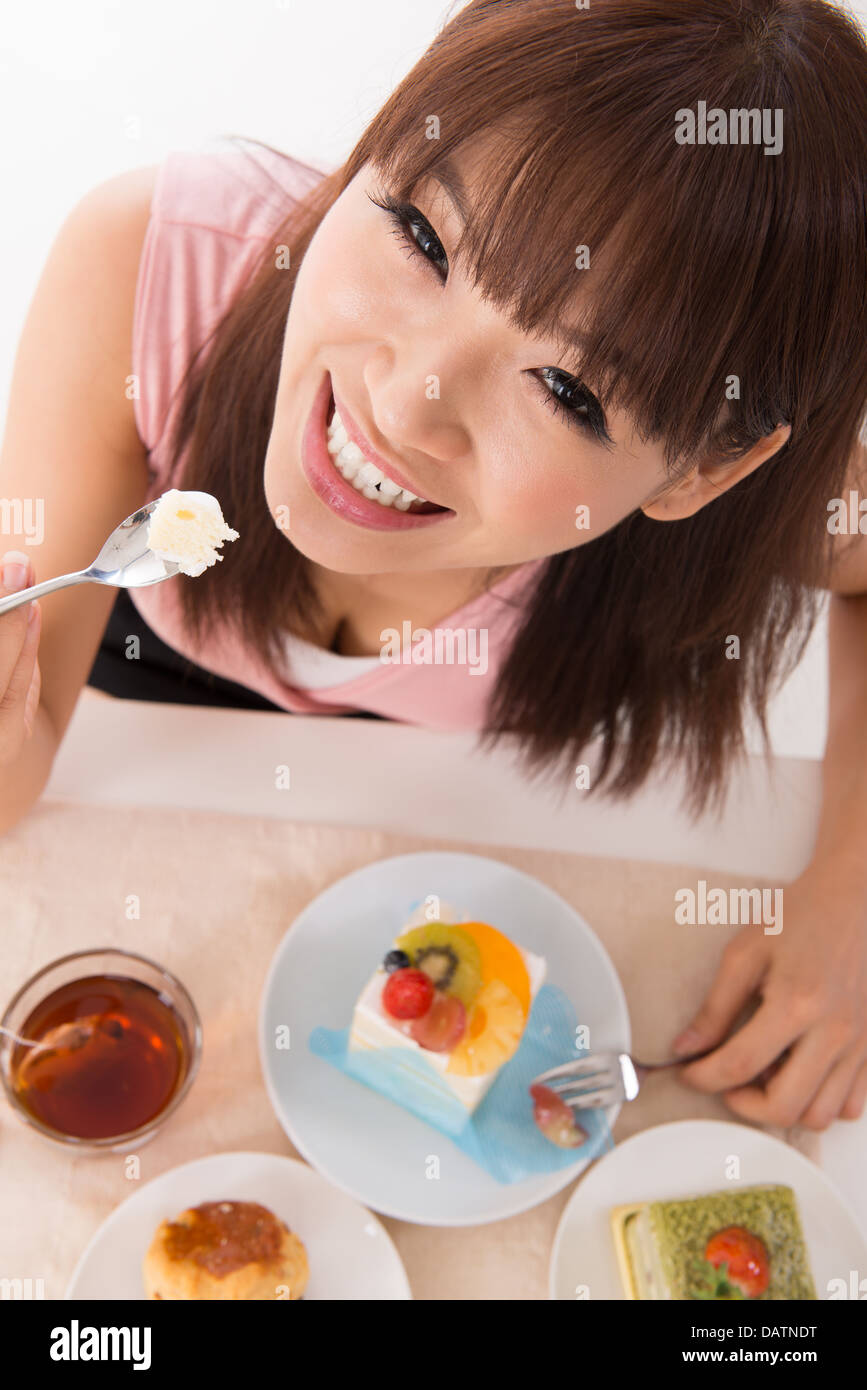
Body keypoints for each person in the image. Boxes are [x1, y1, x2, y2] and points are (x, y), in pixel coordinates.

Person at [1, 0, 865, 1130]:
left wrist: (849, 893)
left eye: (568, 390)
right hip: (158, 689)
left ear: (701, 470)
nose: (407, 401)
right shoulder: (157, 272)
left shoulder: (753, 505)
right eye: (422, 236)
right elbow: (26, 733)